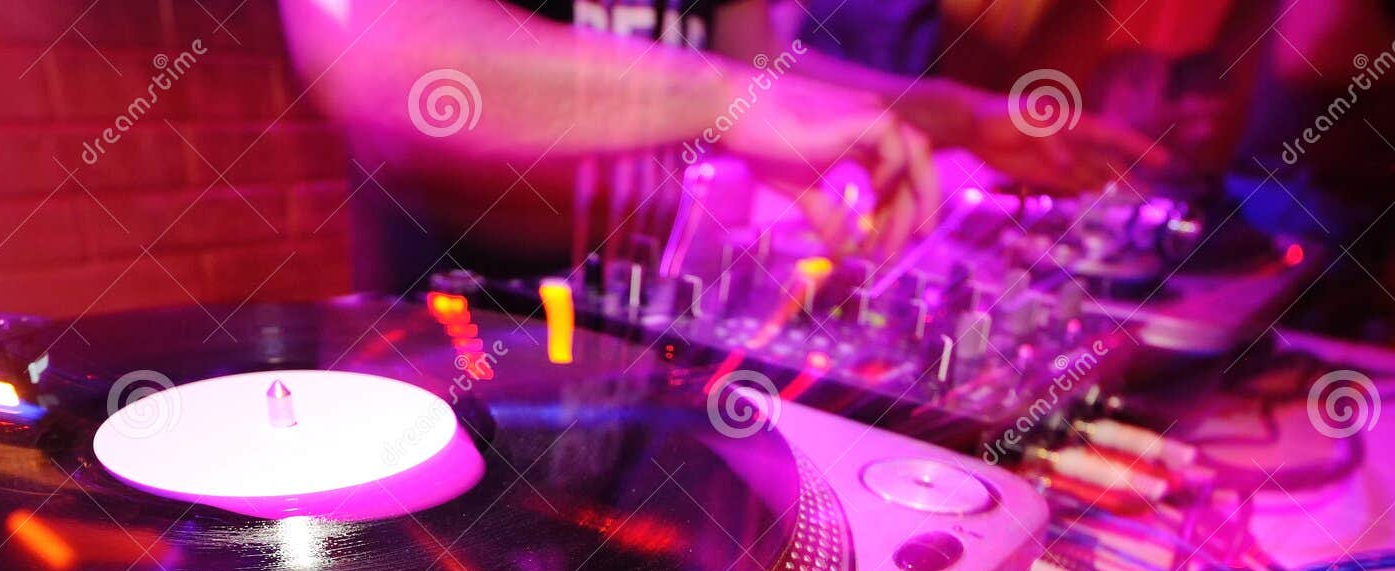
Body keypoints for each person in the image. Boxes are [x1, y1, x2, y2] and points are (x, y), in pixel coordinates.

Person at [279, 0, 1162, 293]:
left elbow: (755, 68)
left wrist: (960, 118)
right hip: (448, 347)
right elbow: (374, 53)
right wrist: (721, 97)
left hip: (639, 349)